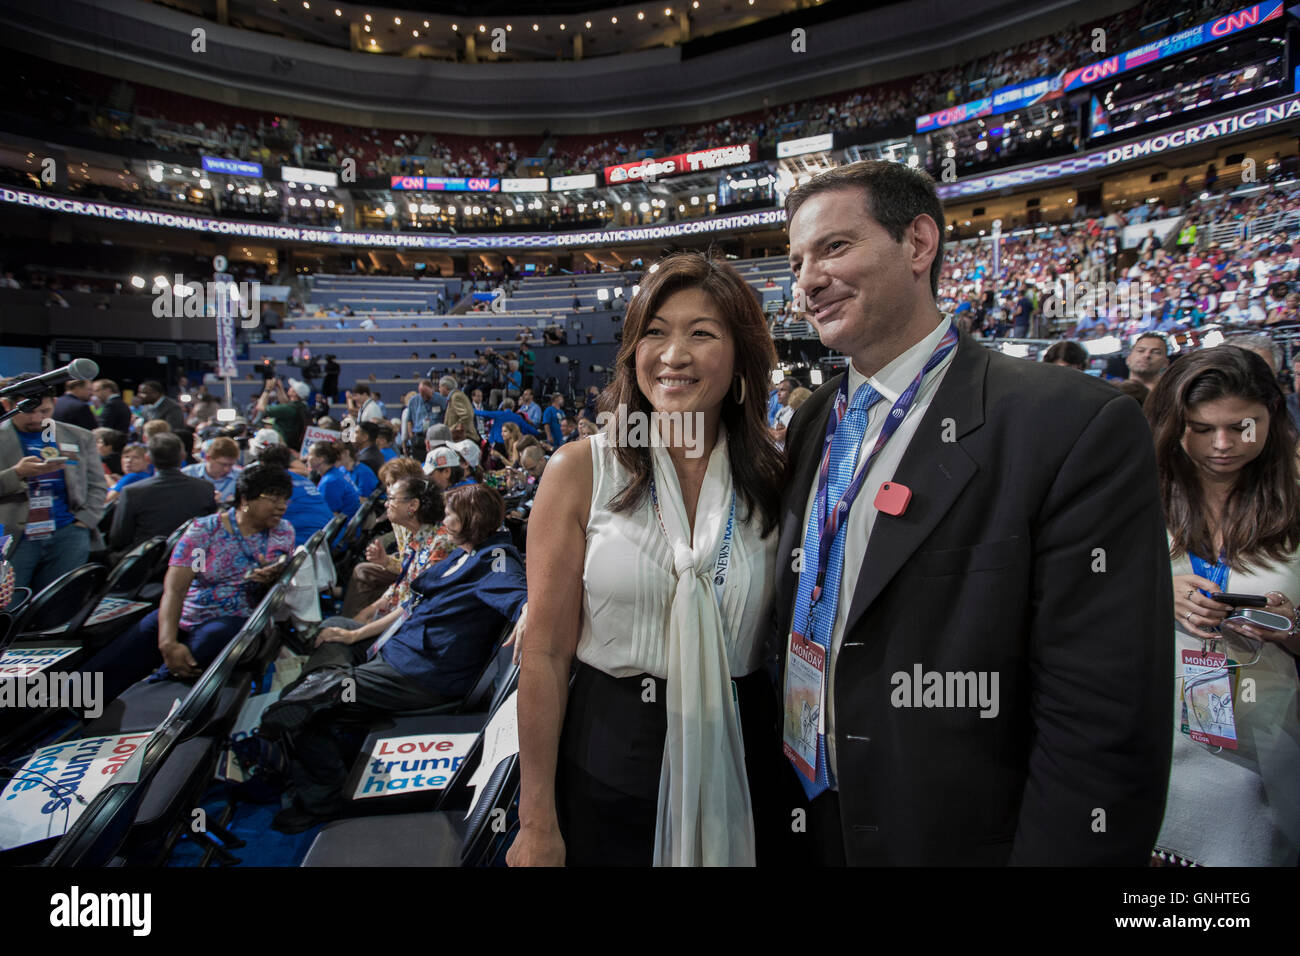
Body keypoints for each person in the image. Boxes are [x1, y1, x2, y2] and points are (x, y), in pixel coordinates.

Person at [771, 159, 1172, 865]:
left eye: (834, 248)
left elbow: (1102, 723)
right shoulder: (812, 425)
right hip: (810, 819)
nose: (807, 280)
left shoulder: (1069, 424)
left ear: (919, 243)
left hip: (954, 837)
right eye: (798, 259)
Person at [510, 251, 784, 868]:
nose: (674, 354)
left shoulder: (774, 477)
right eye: (655, 332)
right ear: (633, 353)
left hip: (741, 754)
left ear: (741, 358)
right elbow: (546, 655)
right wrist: (536, 822)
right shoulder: (581, 469)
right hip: (608, 758)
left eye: (702, 333)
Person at [261, 484, 527, 832]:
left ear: (468, 519)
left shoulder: (496, 558)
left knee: (308, 709)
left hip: (420, 675)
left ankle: (321, 801)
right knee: (335, 632)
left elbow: (518, 595)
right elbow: (409, 605)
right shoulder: (465, 551)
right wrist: (355, 634)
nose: (444, 519)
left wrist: (528, 611)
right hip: (398, 650)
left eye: (449, 513)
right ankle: (323, 689)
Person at [1147, 346, 1300, 866]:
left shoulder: (1295, 505)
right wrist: (1154, 591)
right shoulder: (1131, 499)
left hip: (1266, 750)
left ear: (1271, 417)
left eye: (1241, 427)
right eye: (1200, 427)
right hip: (1150, 740)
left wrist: (1291, 629)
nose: (1221, 445)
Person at [80, 464, 294, 703]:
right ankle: (70, 705)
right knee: (113, 660)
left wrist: (273, 578)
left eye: (285, 500)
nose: (282, 507)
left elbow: (279, 589)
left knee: (210, 640)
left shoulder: (283, 533)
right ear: (245, 499)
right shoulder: (205, 532)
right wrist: (168, 642)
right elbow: (176, 589)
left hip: (237, 618)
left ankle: (147, 697)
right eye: (274, 499)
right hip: (189, 611)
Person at [0, 376, 107, 592]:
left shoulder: (79, 437)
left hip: (68, 533)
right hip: (14, 538)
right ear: (7, 405)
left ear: (55, 404)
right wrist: (16, 474)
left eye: (45, 411)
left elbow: (97, 484)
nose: (37, 418)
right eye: (28, 411)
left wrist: (85, 520)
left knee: (58, 606)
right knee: (10, 606)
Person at [109, 433, 215, 556]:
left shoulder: (132, 492)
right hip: (193, 558)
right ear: (183, 456)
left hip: (145, 562)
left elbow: (119, 538)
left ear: (148, 458)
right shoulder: (205, 488)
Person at [307, 440, 361, 517]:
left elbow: (329, 514)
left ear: (321, 459)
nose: (306, 457)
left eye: (310, 454)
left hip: (344, 526)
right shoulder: (336, 473)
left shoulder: (330, 481)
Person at [183, 436, 242, 504]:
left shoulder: (239, 476)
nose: (227, 469)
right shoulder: (188, 474)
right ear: (208, 458)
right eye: (223, 464)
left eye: (231, 465)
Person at [439, 375, 480, 443]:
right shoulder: (454, 397)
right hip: (460, 438)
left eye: (440, 386)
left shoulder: (456, 396)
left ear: (445, 387)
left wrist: (452, 429)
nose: (439, 389)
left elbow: (467, 415)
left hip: (464, 438)